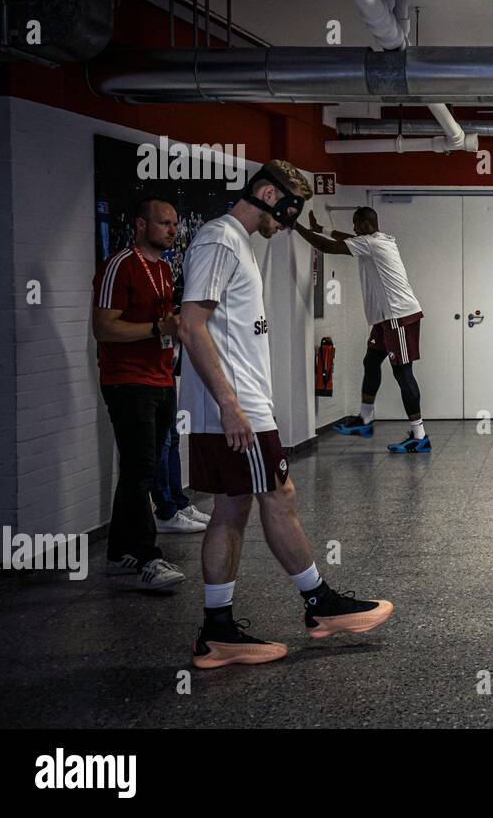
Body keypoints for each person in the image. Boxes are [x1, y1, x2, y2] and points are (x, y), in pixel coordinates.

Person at [179, 160, 393, 668]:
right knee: (280, 494)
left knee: (233, 508)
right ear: (270, 196)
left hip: (239, 406)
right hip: (237, 410)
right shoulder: (220, 239)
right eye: (290, 209)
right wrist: (231, 405)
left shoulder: (239, 243)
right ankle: (319, 604)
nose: (290, 221)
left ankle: (218, 631)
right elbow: (191, 326)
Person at [91, 196, 188, 590]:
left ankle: (117, 552)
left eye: (174, 224)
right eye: (164, 223)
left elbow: (163, 324)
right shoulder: (120, 265)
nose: (172, 230)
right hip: (127, 381)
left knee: (139, 469)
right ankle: (148, 558)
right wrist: (157, 330)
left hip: (161, 377)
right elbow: (104, 328)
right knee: (142, 468)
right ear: (141, 225)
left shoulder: (164, 269)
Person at [294, 207, 429, 453]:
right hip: (383, 318)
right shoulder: (376, 240)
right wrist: (322, 229)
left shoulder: (373, 244)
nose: (354, 230)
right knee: (371, 362)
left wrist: (296, 226)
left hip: (399, 316)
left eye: (356, 225)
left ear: (366, 223)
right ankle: (365, 420)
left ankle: (419, 435)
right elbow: (348, 238)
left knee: (403, 373)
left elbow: (328, 247)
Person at [151, 347, 211, 533]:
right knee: (163, 443)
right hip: (150, 374)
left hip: (166, 368)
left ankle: (178, 502)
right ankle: (165, 511)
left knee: (173, 438)